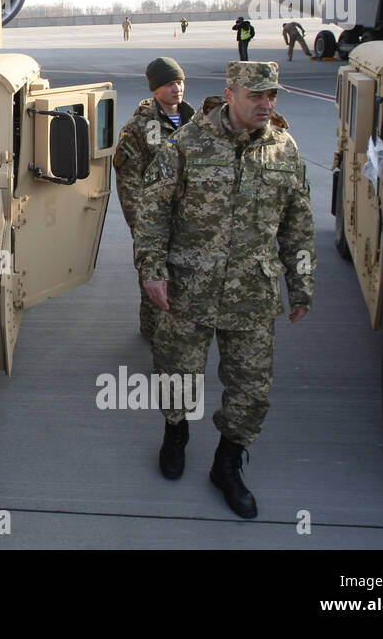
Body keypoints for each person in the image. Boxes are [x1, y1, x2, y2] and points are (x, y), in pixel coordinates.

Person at [134, 61, 315, 519]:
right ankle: (175, 434)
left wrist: (302, 282)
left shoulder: (284, 150)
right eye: (255, 95)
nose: (265, 104)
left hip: (252, 292)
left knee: (251, 390)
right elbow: (151, 211)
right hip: (188, 287)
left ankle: (227, 465)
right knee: (177, 374)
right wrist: (152, 270)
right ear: (230, 94)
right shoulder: (186, 144)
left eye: (271, 95)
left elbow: (298, 222)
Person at [113, 57, 195, 343]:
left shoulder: (196, 123)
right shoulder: (137, 128)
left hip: (191, 221)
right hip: (154, 222)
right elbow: (128, 182)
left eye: (180, 81)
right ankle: (153, 333)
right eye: (170, 83)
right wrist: (142, 228)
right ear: (155, 88)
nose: (177, 88)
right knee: (154, 281)